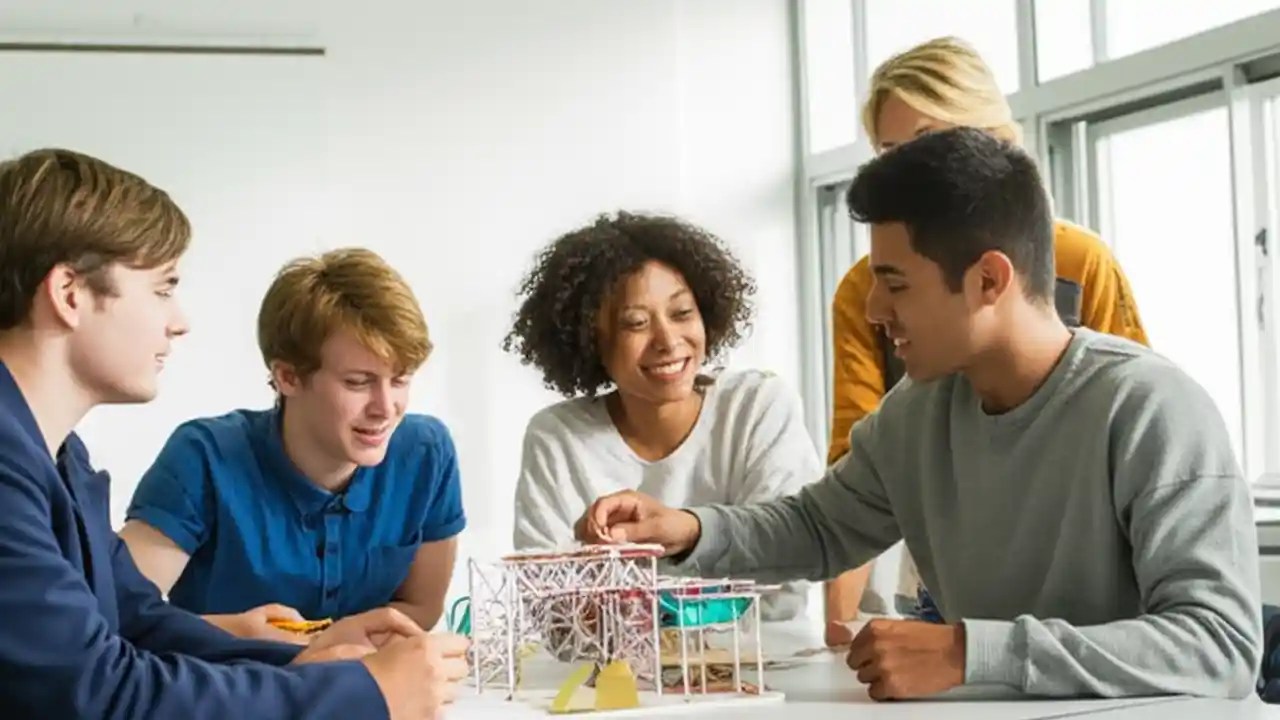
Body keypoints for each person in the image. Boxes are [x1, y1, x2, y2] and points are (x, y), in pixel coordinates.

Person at [572, 128, 1262, 701]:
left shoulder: (1151, 410)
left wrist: (970, 651)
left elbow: (1220, 646)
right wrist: (685, 530)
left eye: (895, 283)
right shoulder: (919, 410)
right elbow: (819, 527)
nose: (874, 311)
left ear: (989, 280)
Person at [0, 147, 467, 719]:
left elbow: (138, 620)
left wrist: (302, 662)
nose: (179, 320)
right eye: (163, 287)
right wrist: (362, 693)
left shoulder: (58, 456)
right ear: (70, 294)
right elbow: (101, 692)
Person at [825, 36, 1150, 638]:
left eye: (925, 143)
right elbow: (854, 468)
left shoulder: (1081, 260)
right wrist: (837, 624)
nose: (904, 173)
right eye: (887, 153)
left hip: (1087, 591)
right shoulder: (865, 292)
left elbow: (1135, 431)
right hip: (943, 578)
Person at [121, 248, 463, 642]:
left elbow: (421, 609)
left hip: (361, 690)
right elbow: (115, 618)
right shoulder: (204, 456)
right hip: (226, 691)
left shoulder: (426, 452)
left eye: (400, 379)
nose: (386, 408)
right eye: (357, 382)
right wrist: (236, 635)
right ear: (287, 377)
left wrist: (330, 645)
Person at [504, 211, 822, 620]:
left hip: (765, 668)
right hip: (612, 678)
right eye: (636, 324)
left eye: (682, 314)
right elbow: (546, 602)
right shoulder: (559, 436)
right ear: (588, 340)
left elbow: (787, 573)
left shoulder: (757, 406)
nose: (668, 341)